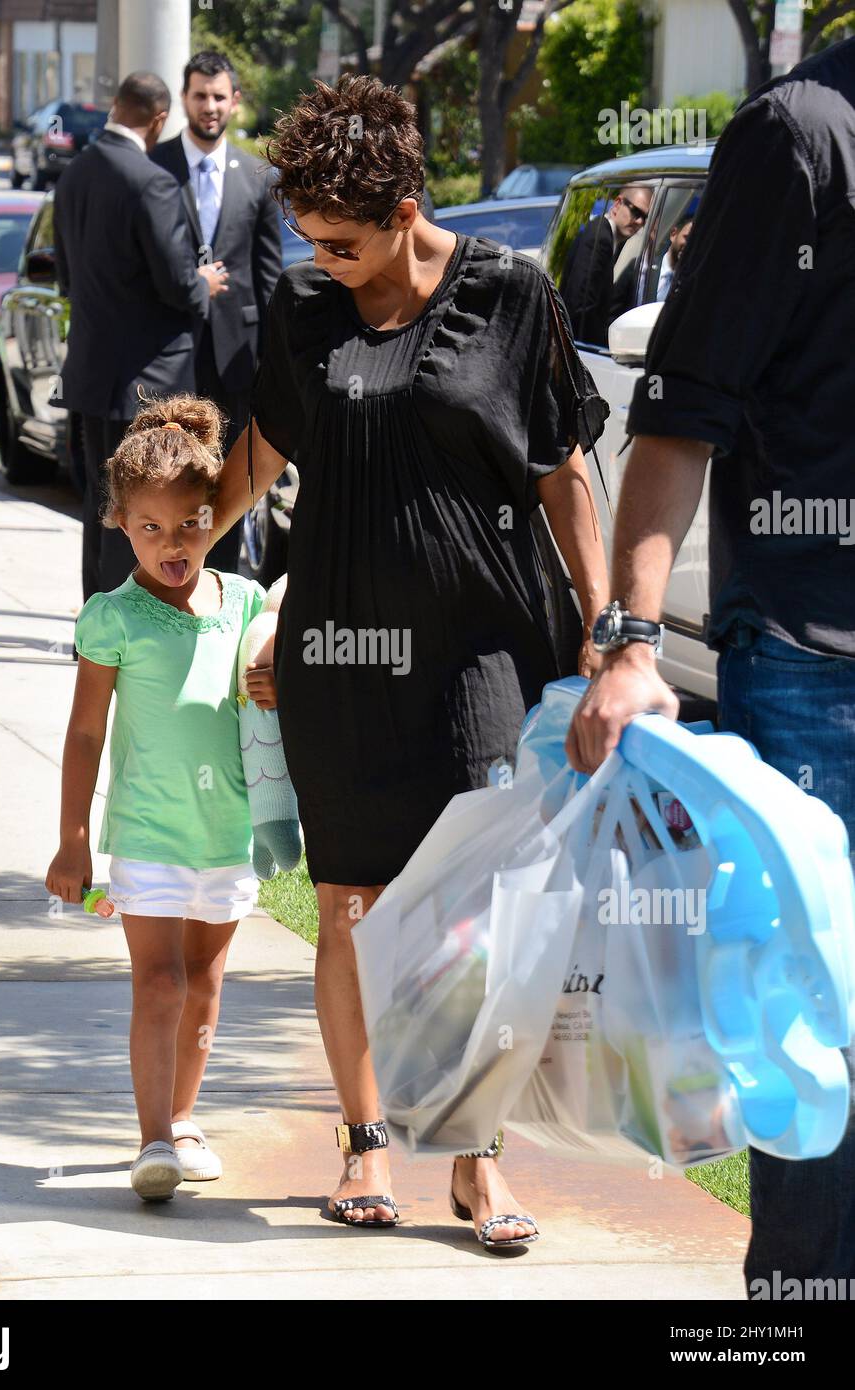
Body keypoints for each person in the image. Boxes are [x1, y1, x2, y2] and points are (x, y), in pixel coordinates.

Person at [207, 74, 610, 1249]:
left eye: (342, 240)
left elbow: (561, 473)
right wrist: (187, 563)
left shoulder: (509, 296)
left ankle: (478, 1157)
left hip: (483, 643)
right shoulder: (303, 306)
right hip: (336, 645)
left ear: (407, 206)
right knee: (349, 900)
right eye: (307, 239)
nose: (322, 259)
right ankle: (366, 1138)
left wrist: (605, 621)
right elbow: (263, 454)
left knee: (484, 910)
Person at [565, 37, 855, 1295]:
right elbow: (680, 411)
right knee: (819, 1043)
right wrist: (630, 639)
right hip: (814, 661)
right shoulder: (797, 138)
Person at [44, 395, 268, 1202]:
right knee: (160, 983)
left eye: (189, 525)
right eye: (150, 528)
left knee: (206, 982)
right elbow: (82, 736)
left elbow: (269, 691)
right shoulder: (114, 620)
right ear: (118, 522)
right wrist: (73, 839)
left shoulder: (243, 604)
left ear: (217, 515)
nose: (172, 545)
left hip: (229, 830)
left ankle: (184, 1117)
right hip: (147, 831)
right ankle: (152, 1137)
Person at [53, 71, 229, 611]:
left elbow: (64, 277)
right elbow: (176, 284)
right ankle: (135, 620)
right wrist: (204, 285)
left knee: (101, 505)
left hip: (91, 371)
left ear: (114, 107)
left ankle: (97, 621)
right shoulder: (151, 182)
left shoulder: (72, 175)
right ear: (158, 119)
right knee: (147, 506)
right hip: (147, 382)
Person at [151, 50, 283, 571]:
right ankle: (160, 586)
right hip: (166, 350)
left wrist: (275, 354)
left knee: (226, 479)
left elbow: (270, 274)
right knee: (165, 475)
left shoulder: (257, 175)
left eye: (219, 96)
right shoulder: (153, 166)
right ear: (184, 98)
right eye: (200, 95)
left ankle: (221, 584)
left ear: (235, 102)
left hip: (236, 357)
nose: (210, 106)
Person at [560, 184, 652, 346]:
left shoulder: (606, 237)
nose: (639, 222)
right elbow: (580, 306)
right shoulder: (600, 238)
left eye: (645, 218)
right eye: (635, 212)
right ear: (617, 204)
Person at [656, 214, 692, 300]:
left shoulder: (689, 280)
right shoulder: (645, 267)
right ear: (673, 234)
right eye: (687, 238)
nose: (690, 245)